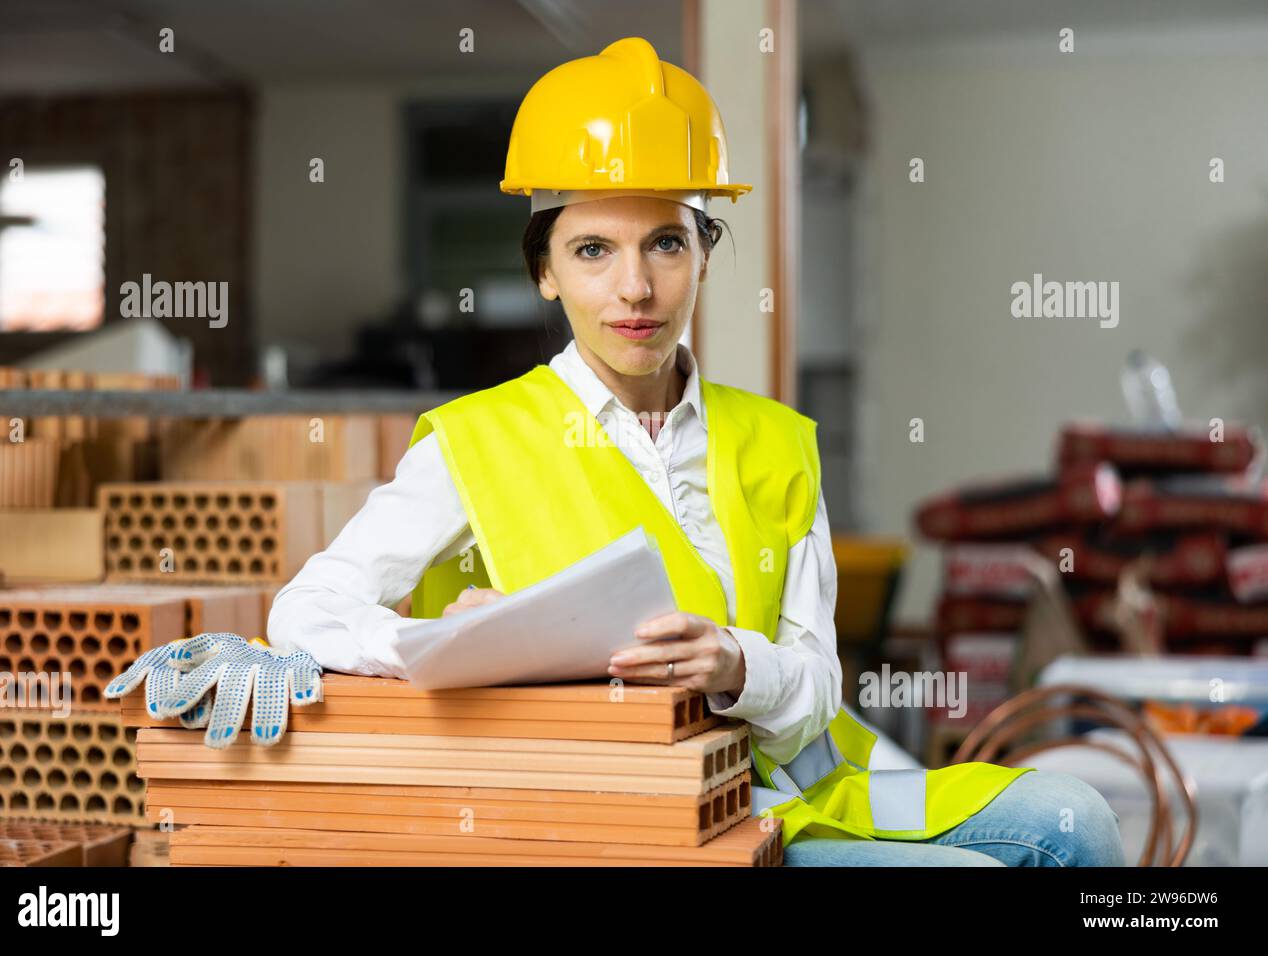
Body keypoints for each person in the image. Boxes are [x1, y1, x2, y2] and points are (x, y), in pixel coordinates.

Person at [265, 36, 1124, 867]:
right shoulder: (475, 443)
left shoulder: (776, 441)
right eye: (593, 250)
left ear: (705, 254)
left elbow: (817, 685)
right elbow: (306, 609)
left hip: (804, 792)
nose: (635, 288)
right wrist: (463, 651)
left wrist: (736, 663)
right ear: (545, 272)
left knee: (1077, 815)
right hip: (650, 826)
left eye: (666, 243)